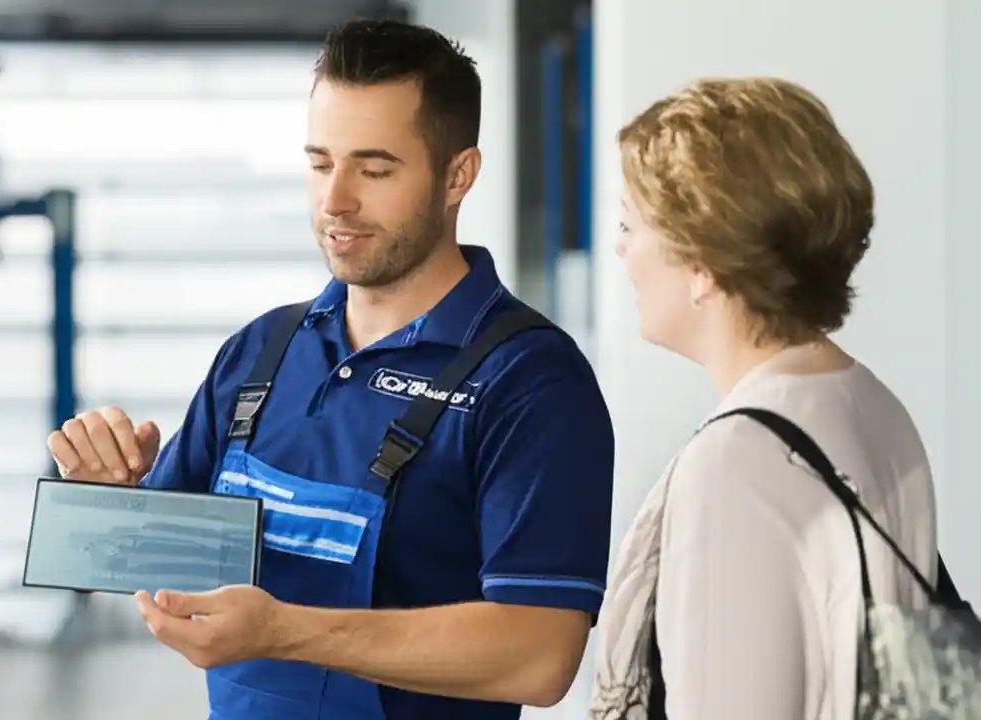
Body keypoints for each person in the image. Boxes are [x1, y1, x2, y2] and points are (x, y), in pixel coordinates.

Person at [46, 18, 615, 720]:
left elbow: (539, 654)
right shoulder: (261, 353)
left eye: (374, 170)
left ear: (457, 175)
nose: (335, 200)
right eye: (321, 164)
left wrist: (287, 630)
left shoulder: (530, 383)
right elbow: (159, 563)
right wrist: (111, 500)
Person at [589, 77, 939, 719]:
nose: (620, 249)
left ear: (703, 266)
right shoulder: (870, 402)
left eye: (628, 224)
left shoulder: (737, 461)